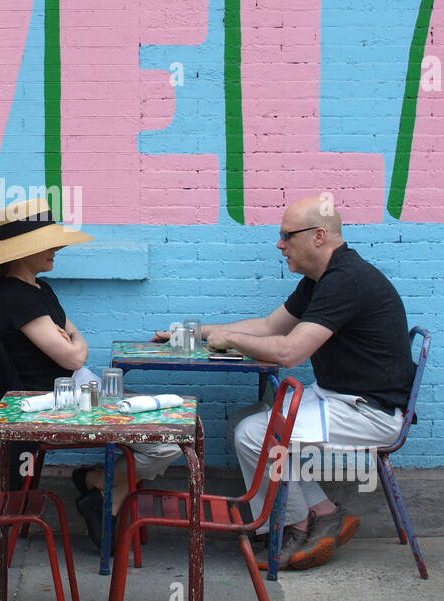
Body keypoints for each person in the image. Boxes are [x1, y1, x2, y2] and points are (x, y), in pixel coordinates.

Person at [161, 196, 415, 571]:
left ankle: (290, 525)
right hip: (341, 399)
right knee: (247, 420)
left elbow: (289, 352)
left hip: (367, 411)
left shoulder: (345, 281)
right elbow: (269, 327)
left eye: (286, 236)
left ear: (318, 236)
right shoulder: (323, 279)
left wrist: (231, 341)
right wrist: (195, 333)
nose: (280, 245)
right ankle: (324, 512)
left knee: (253, 433)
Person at [0, 197, 181, 547]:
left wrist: (74, 344)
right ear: (24, 251)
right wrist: (73, 344)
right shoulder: (17, 297)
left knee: (166, 440)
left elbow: (76, 346)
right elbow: (72, 356)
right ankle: (98, 490)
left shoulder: (41, 290)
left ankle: (99, 487)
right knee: (163, 446)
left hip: (75, 392)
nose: (58, 248)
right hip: (54, 405)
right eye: (48, 242)